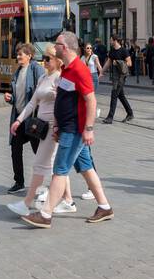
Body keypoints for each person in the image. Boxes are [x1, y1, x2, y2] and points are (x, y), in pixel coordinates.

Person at [21, 31, 114, 227]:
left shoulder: (80, 70)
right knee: (86, 168)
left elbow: (91, 100)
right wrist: (57, 125)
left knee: (60, 170)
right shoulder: (67, 70)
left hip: (75, 130)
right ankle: (105, 207)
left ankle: (45, 214)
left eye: (57, 44)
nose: (54, 48)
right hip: (66, 128)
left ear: (66, 48)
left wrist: (88, 129)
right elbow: (64, 100)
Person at [8, 43, 77, 216]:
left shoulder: (61, 78)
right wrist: (18, 119)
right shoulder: (44, 78)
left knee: (40, 164)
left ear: (58, 61)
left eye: (47, 59)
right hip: (42, 127)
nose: (43, 62)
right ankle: (68, 200)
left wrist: (60, 125)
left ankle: (27, 203)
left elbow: (70, 103)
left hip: (54, 128)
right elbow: (33, 102)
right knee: (56, 166)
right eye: (43, 58)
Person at [4, 43, 44, 194]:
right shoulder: (17, 72)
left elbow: (42, 90)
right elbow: (17, 96)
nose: (18, 56)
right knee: (15, 148)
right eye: (18, 54)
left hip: (33, 119)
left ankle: (46, 183)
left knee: (38, 151)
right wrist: (10, 98)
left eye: (21, 54)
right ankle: (19, 181)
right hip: (19, 117)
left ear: (29, 55)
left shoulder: (35, 68)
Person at [100, 37, 135, 124]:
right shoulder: (112, 50)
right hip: (115, 77)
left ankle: (110, 117)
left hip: (121, 76)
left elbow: (129, 63)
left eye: (111, 40)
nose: (110, 41)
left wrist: (119, 62)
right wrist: (101, 72)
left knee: (114, 94)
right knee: (121, 96)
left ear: (115, 41)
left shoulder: (123, 51)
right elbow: (108, 62)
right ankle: (130, 113)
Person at [82, 42, 103, 120]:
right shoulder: (83, 58)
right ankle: (92, 111)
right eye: (88, 48)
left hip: (94, 77)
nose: (89, 49)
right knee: (86, 97)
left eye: (91, 48)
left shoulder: (94, 57)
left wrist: (100, 73)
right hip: (86, 78)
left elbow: (99, 66)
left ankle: (93, 111)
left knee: (91, 96)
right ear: (84, 49)